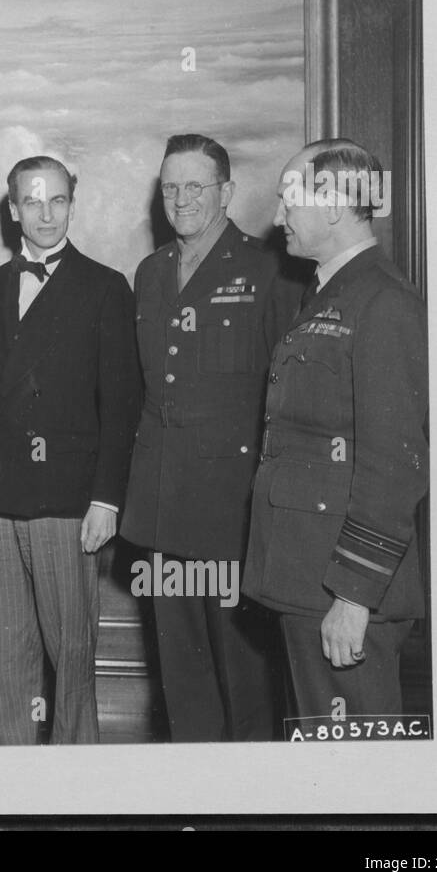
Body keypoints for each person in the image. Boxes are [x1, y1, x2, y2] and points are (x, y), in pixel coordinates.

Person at [0, 156, 142, 744]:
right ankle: (13, 790)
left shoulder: (106, 286)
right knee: (3, 656)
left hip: (66, 500)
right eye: (32, 202)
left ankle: (74, 792)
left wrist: (107, 500)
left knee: (72, 654)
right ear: (12, 210)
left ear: (71, 204)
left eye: (57, 200)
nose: (45, 213)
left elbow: (122, 404)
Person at [243, 138, 427, 726]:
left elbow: (393, 467)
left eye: (287, 201)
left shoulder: (383, 303)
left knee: (356, 779)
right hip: (308, 579)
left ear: (331, 204)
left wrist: (353, 596)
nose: (278, 219)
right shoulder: (330, 290)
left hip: (343, 592)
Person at [121, 134, 299, 742]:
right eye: (170, 187)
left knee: (244, 678)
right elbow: (148, 394)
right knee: (182, 680)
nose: (180, 199)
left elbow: (287, 401)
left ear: (226, 191)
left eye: (194, 185)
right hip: (163, 511)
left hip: (234, 513)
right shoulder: (150, 273)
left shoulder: (268, 269)